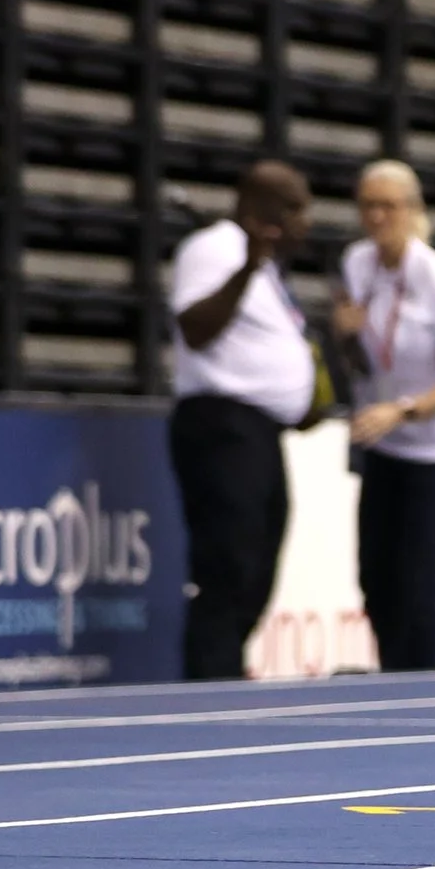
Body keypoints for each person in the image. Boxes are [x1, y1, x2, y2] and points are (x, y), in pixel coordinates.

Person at [331, 160, 435, 673]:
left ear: (412, 211)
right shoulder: (357, 265)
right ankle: (395, 683)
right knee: (376, 581)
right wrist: (346, 335)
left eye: (388, 206)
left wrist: (406, 410)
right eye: (367, 206)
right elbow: (363, 362)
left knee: (422, 591)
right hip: (384, 448)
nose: (377, 217)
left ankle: (431, 686)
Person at [167, 161, 318, 680]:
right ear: (261, 209)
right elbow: (195, 327)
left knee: (255, 565)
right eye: (295, 207)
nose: (306, 221)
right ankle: (208, 684)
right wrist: (247, 268)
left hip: (257, 433)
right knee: (228, 566)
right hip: (221, 427)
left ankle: (223, 670)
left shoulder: (265, 266)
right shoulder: (215, 249)